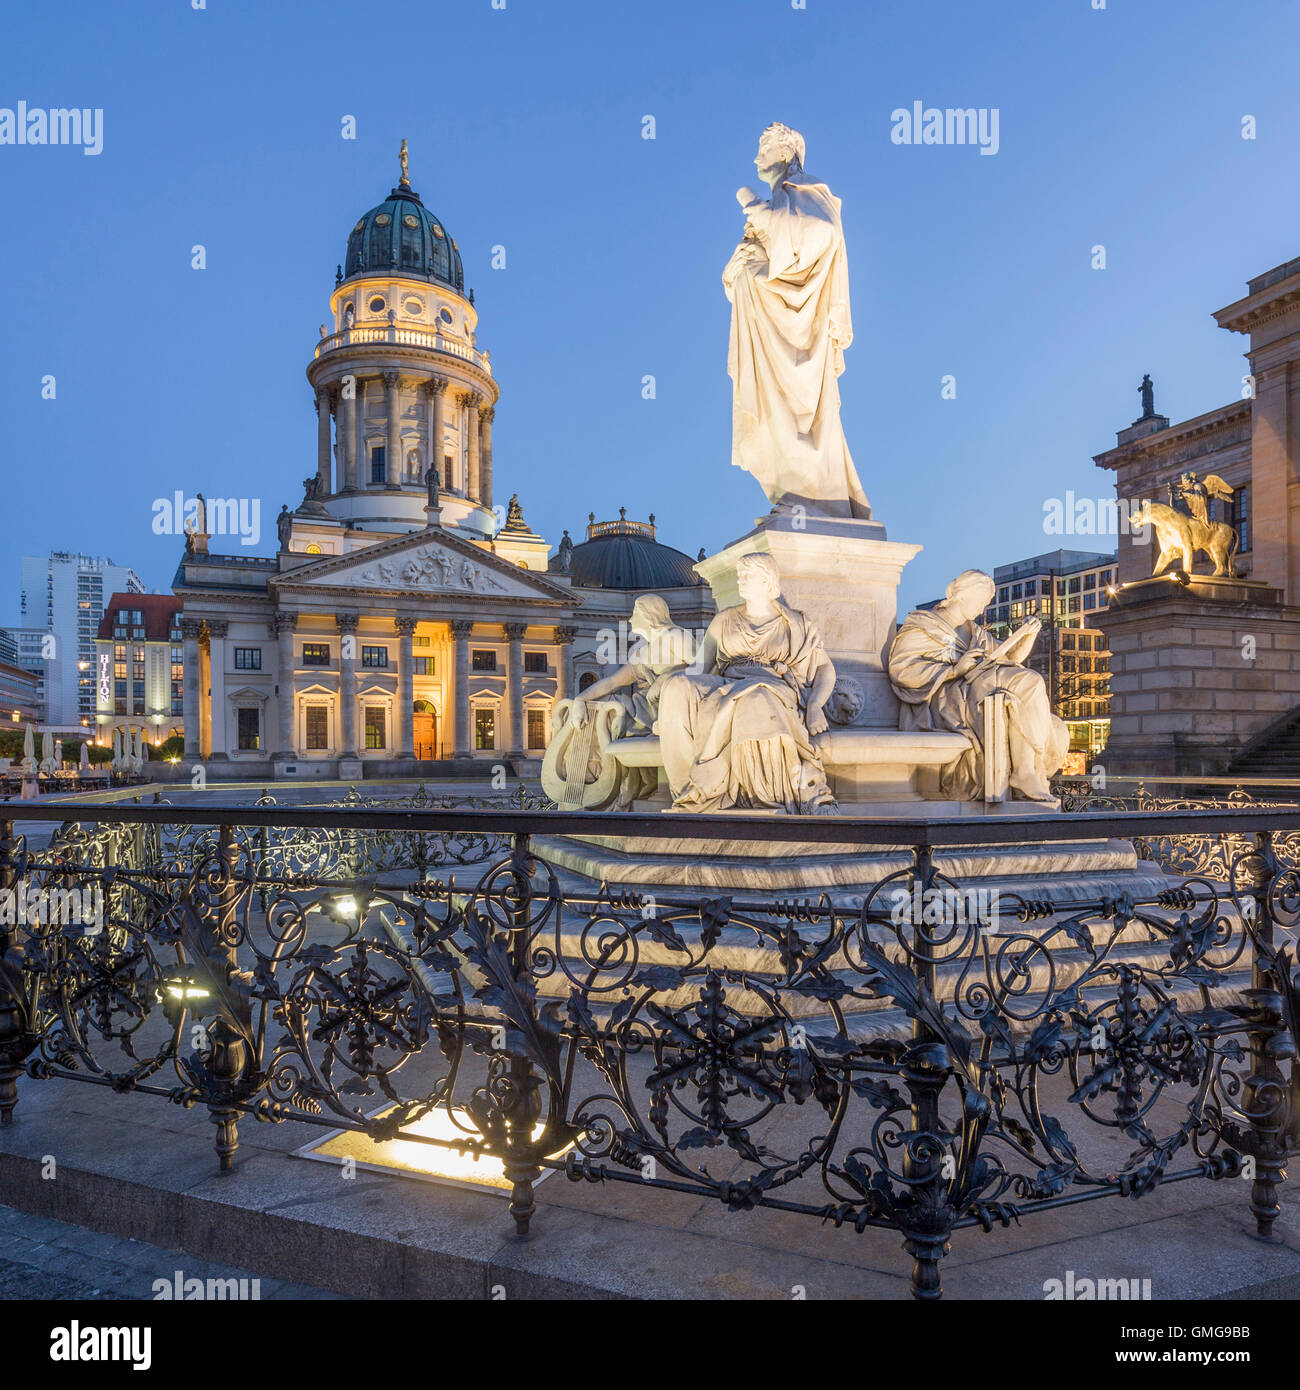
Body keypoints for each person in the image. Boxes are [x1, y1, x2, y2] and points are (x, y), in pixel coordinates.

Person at [722, 123, 870, 520]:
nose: (756, 159)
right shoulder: (779, 202)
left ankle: (815, 495)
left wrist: (762, 215)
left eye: (764, 149)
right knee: (775, 413)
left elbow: (823, 234)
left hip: (803, 327)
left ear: (787, 153)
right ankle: (800, 493)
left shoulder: (806, 193)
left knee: (803, 412)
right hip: (772, 323)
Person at [657, 552, 837, 814]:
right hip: (727, 683)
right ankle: (692, 790)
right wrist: (662, 688)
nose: (740, 580)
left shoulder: (795, 623)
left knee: (754, 700)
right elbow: (698, 669)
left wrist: (815, 707)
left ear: (767, 581)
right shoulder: (724, 620)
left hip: (772, 687)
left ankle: (758, 794)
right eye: (740, 575)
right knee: (675, 687)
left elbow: (824, 669)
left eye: (747, 575)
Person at [888, 569, 1068, 802]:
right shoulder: (924, 625)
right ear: (962, 595)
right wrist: (954, 670)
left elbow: (1011, 657)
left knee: (1029, 681)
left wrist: (1028, 634)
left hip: (977, 688)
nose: (982, 609)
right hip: (947, 697)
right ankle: (1024, 773)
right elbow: (902, 670)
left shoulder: (975, 632)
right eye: (981, 602)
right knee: (1028, 681)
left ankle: (1026, 771)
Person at [569, 595, 694, 803]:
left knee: (615, 712)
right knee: (602, 709)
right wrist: (580, 699)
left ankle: (616, 786)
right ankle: (592, 779)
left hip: (675, 704)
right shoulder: (641, 651)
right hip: (644, 706)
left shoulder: (676, 636)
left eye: (634, 614)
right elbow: (612, 682)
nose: (629, 620)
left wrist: (666, 679)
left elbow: (704, 670)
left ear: (648, 614)